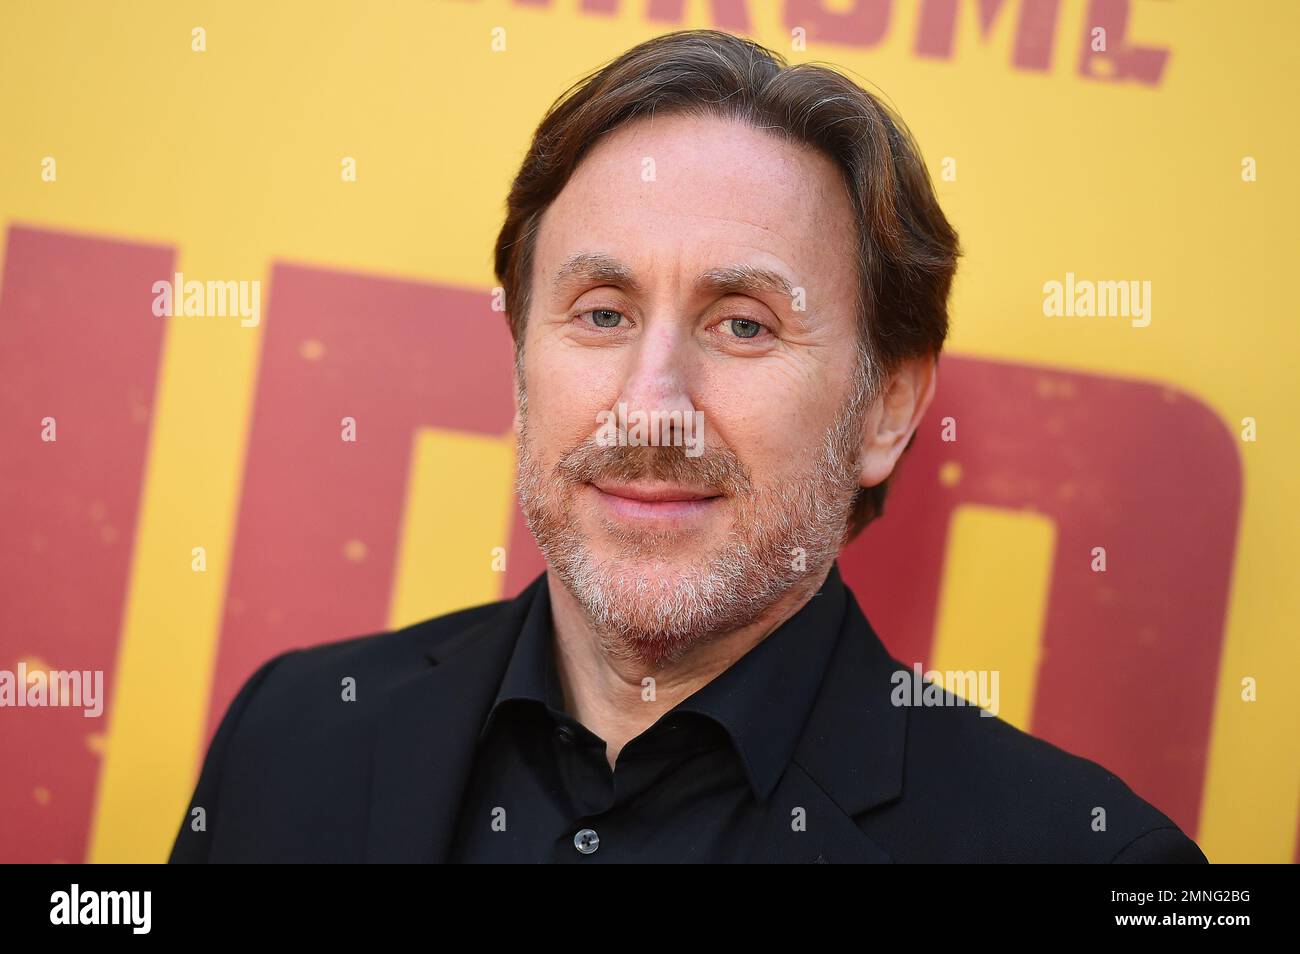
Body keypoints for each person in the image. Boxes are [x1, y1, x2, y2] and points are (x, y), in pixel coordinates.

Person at [170, 29, 1206, 864]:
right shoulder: (294, 734)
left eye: (743, 324)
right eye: (603, 314)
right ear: (521, 360)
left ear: (886, 408)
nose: (651, 406)